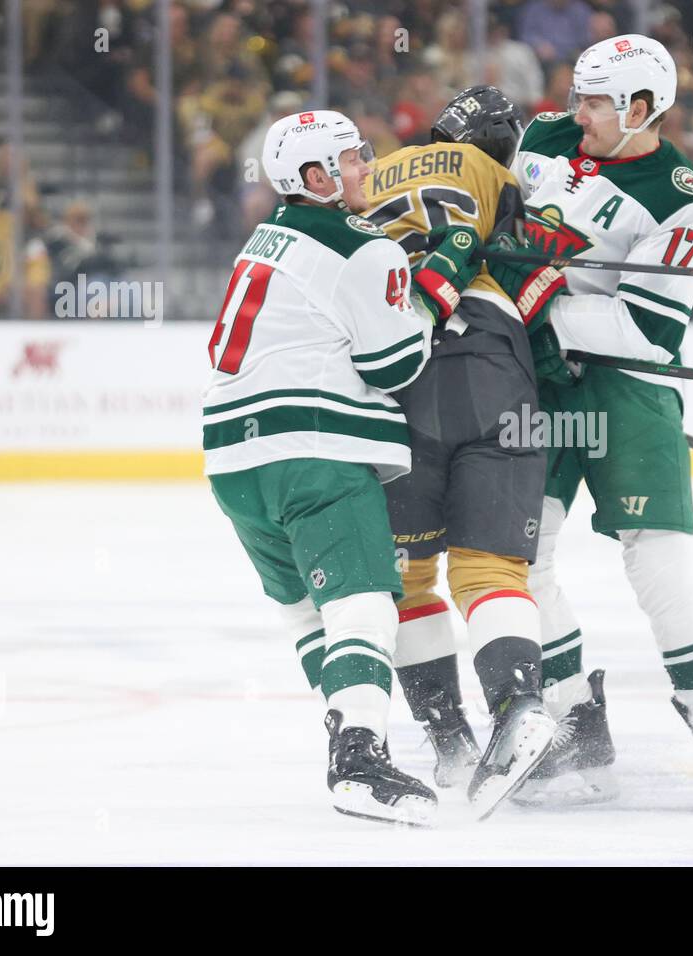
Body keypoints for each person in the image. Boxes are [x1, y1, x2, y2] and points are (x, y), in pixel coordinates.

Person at [507, 34, 693, 808]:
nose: (579, 113)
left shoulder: (682, 202)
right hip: (535, 384)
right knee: (518, 555)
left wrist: (540, 303)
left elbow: (648, 333)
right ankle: (574, 720)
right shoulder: (540, 138)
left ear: (643, 109)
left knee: (663, 559)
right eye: (577, 96)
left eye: (596, 103)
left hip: (625, 391)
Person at [202, 110, 437, 826]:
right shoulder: (362, 245)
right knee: (364, 601)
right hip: (312, 449)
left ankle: (349, 728)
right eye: (352, 156)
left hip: (232, 460)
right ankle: (359, 757)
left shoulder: (267, 234)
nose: (367, 163)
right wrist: (432, 289)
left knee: (310, 612)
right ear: (315, 177)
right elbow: (395, 364)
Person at [361, 86, 560, 817]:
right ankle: (520, 705)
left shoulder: (364, 179)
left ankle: (448, 742)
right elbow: (537, 263)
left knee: (410, 578)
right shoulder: (497, 175)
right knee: (491, 568)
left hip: (397, 377)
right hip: (492, 357)